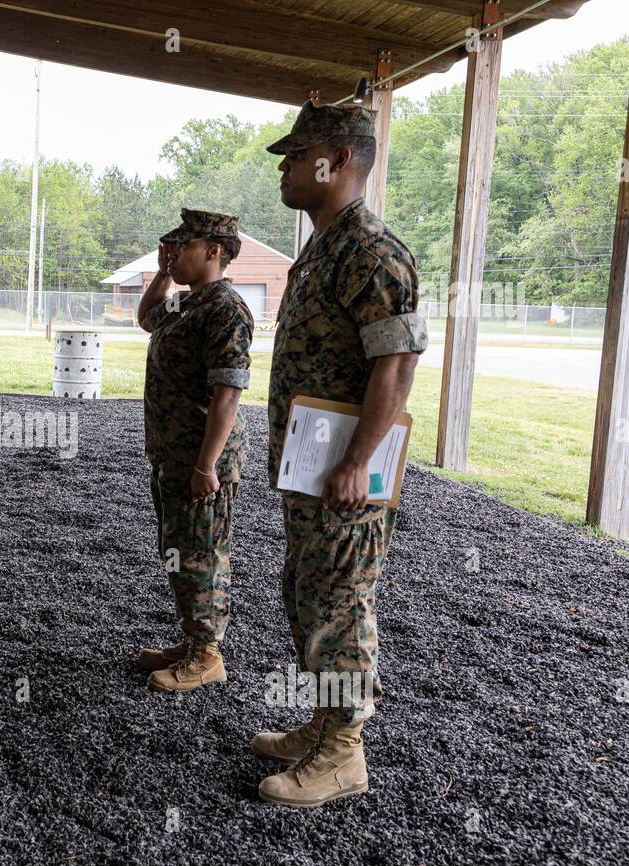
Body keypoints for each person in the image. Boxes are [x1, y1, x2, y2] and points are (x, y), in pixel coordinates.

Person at [255, 101, 427, 807]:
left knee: (341, 603)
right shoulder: (324, 248)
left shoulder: (371, 250)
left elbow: (399, 362)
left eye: (300, 153)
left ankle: (344, 753)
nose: (288, 165)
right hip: (314, 468)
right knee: (308, 595)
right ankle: (326, 721)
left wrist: (359, 461)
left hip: (344, 472)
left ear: (342, 159)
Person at [135, 209, 253, 693]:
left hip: (203, 460)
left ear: (215, 251)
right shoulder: (188, 303)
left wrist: (206, 466)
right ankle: (191, 640)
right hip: (173, 453)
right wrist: (163, 273)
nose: (173, 253)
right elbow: (146, 318)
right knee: (178, 551)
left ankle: (207, 654)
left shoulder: (226, 309)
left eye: (182, 247)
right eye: (170, 247)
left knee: (202, 553)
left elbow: (228, 394)